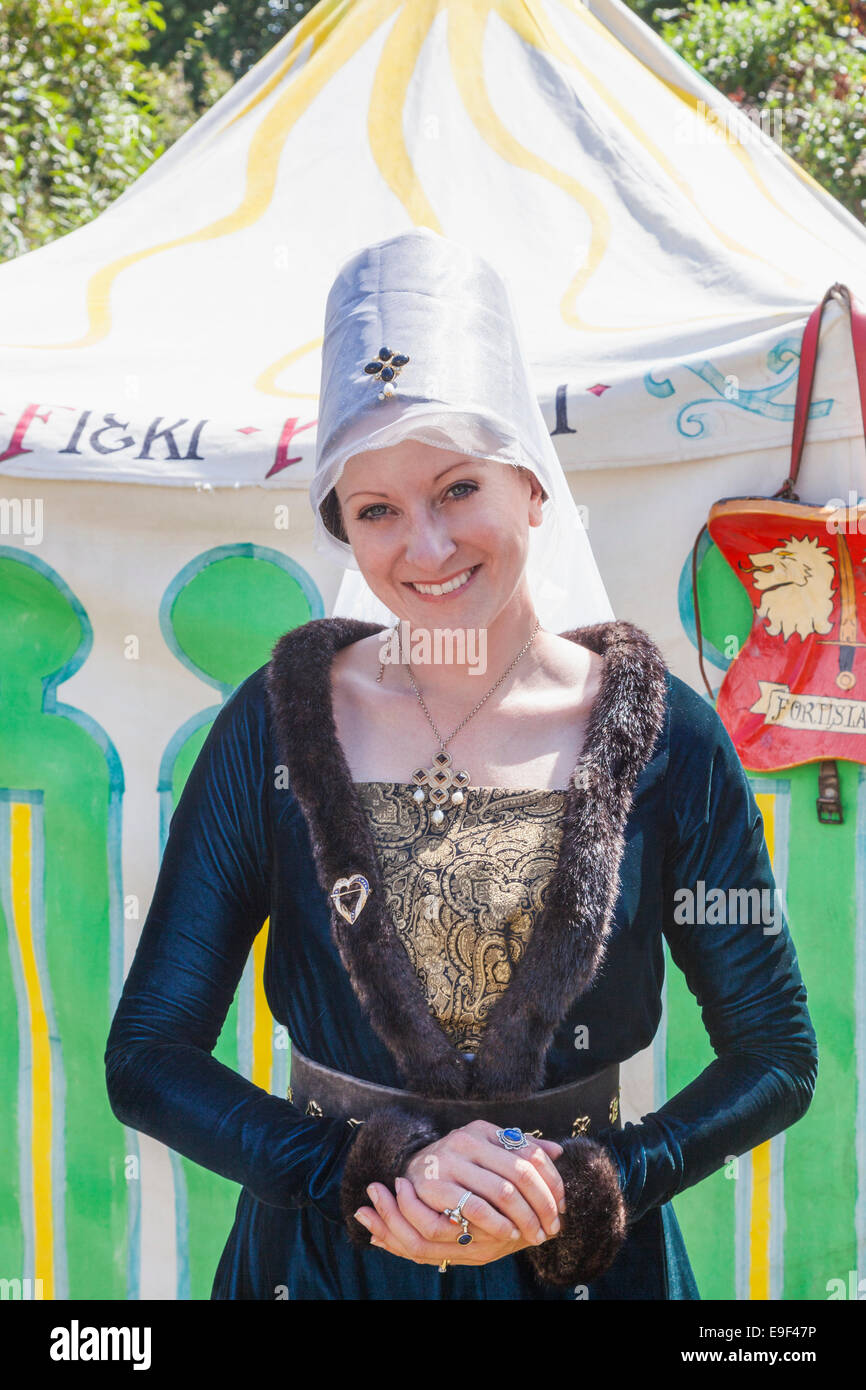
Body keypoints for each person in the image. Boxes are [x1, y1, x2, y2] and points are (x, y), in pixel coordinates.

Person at [105, 228, 818, 1300]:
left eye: (455, 489)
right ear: (343, 527)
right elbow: (149, 1057)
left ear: (531, 485)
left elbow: (774, 1052)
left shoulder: (663, 735)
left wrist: (599, 1183)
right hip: (329, 1264)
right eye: (376, 509)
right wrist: (363, 1169)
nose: (425, 548)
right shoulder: (271, 728)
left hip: (578, 1270)